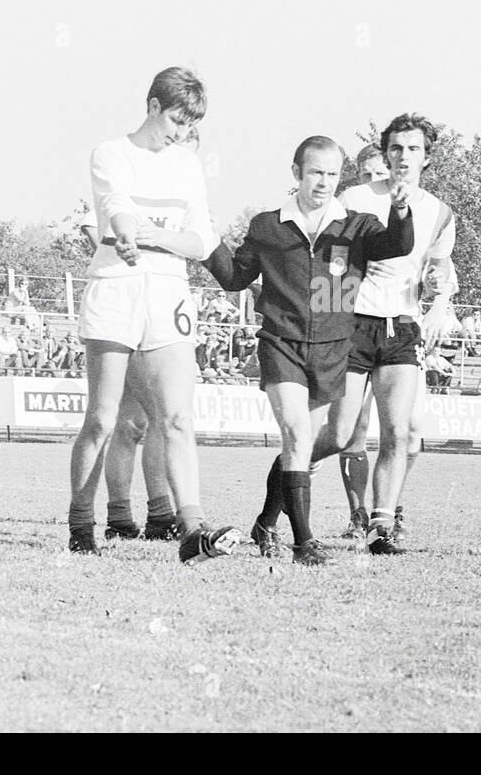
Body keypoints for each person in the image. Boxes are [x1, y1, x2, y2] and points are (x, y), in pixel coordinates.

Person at [204, 134, 414, 564]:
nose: (324, 182)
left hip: (334, 349)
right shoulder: (267, 225)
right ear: (297, 173)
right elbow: (234, 278)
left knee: (314, 441)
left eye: (333, 174)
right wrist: (206, 239)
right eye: (316, 172)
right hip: (281, 343)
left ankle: (266, 522)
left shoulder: (358, 226)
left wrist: (400, 208)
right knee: (298, 435)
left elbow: (399, 244)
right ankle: (304, 544)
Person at [69, 66, 234, 562]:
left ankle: (193, 529)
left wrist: (152, 236)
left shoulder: (187, 164)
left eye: (190, 125)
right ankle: (81, 526)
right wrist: (124, 230)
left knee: (177, 417)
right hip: (115, 289)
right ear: (153, 106)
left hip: (168, 291)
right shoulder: (111, 152)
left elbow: (202, 237)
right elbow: (115, 204)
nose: (182, 134)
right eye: (176, 122)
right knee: (102, 420)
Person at [319, 117, 459, 554]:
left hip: (401, 327)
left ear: (426, 157)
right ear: (387, 153)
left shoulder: (440, 211)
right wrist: (327, 321)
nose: (403, 157)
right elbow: (331, 267)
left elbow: (439, 267)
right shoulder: (355, 197)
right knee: (342, 434)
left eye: (413, 149)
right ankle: (285, 479)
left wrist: (438, 297)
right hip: (355, 324)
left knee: (399, 432)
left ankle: (381, 526)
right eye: (396, 148)